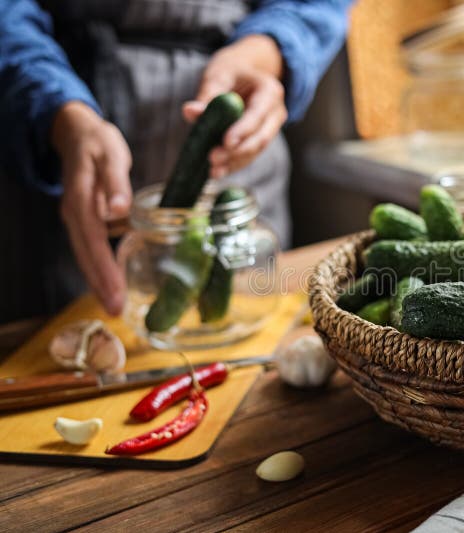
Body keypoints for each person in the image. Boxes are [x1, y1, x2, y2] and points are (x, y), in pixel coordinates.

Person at [0, 0, 351, 319]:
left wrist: (266, 51)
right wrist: (57, 110)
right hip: (60, 146)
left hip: (242, 163)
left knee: (246, 336)